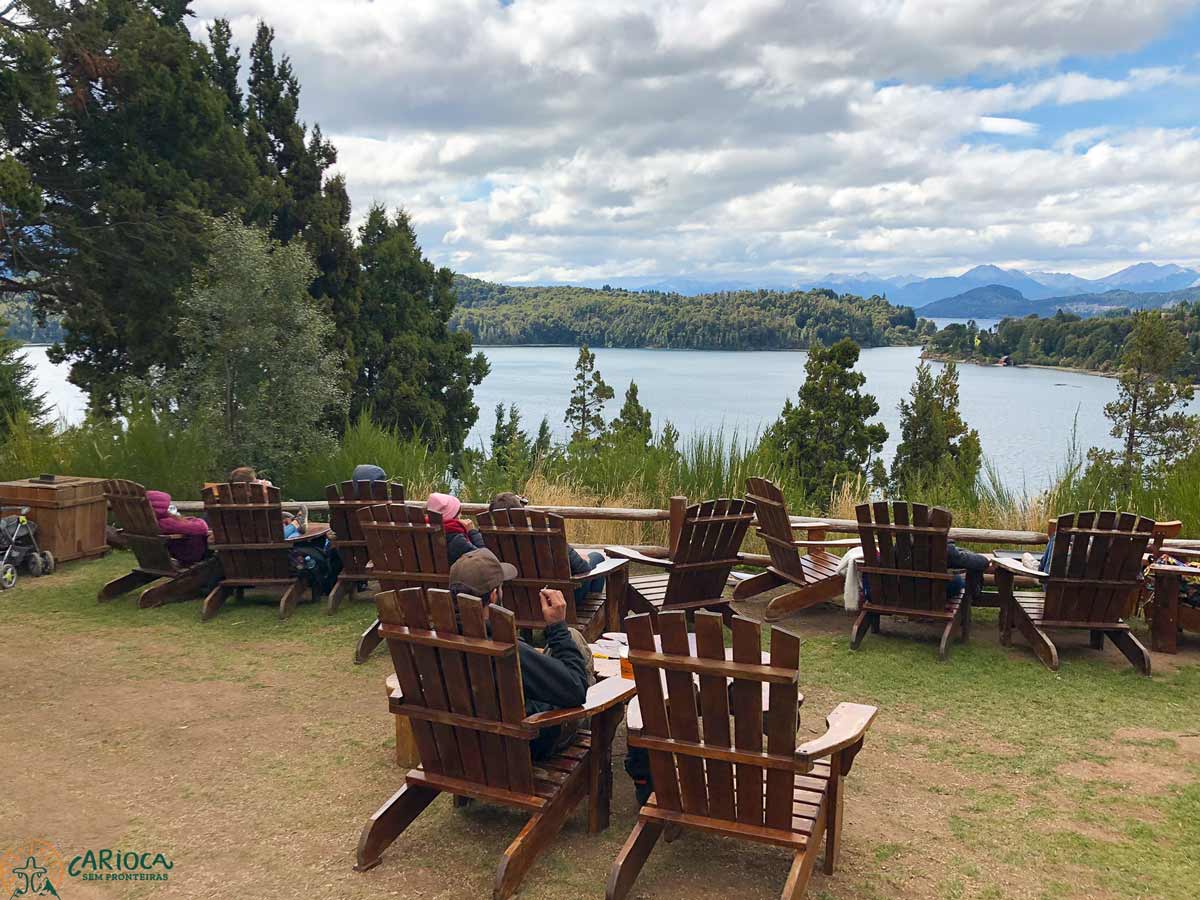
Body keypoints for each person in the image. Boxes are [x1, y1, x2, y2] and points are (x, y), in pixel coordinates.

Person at [449, 548, 594, 759]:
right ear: (494, 595)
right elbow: (576, 689)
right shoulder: (503, 648)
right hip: (523, 748)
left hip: (464, 746)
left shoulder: (434, 638)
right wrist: (557, 626)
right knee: (573, 638)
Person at [488, 492, 607, 604]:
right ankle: (591, 615)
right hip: (559, 601)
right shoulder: (545, 535)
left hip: (520, 603)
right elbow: (583, 568)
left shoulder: (490, 539)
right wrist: (586, 560)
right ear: (521, 511)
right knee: (597, 558)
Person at [146, 490, 210, 565]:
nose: (171, 509)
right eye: (169, 506)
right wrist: (195, 520)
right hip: (191, 555)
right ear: (161, 509)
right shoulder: (167, 523)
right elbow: (202, 527)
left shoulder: (155, 522)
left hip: (178, 553)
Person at [427, 492, 484, 564]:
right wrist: (472, 531)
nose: (461, 515)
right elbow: (485, 558)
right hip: (456, 574)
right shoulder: (456, 539)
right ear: (453, 516)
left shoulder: (422, 531)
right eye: (459, 512)